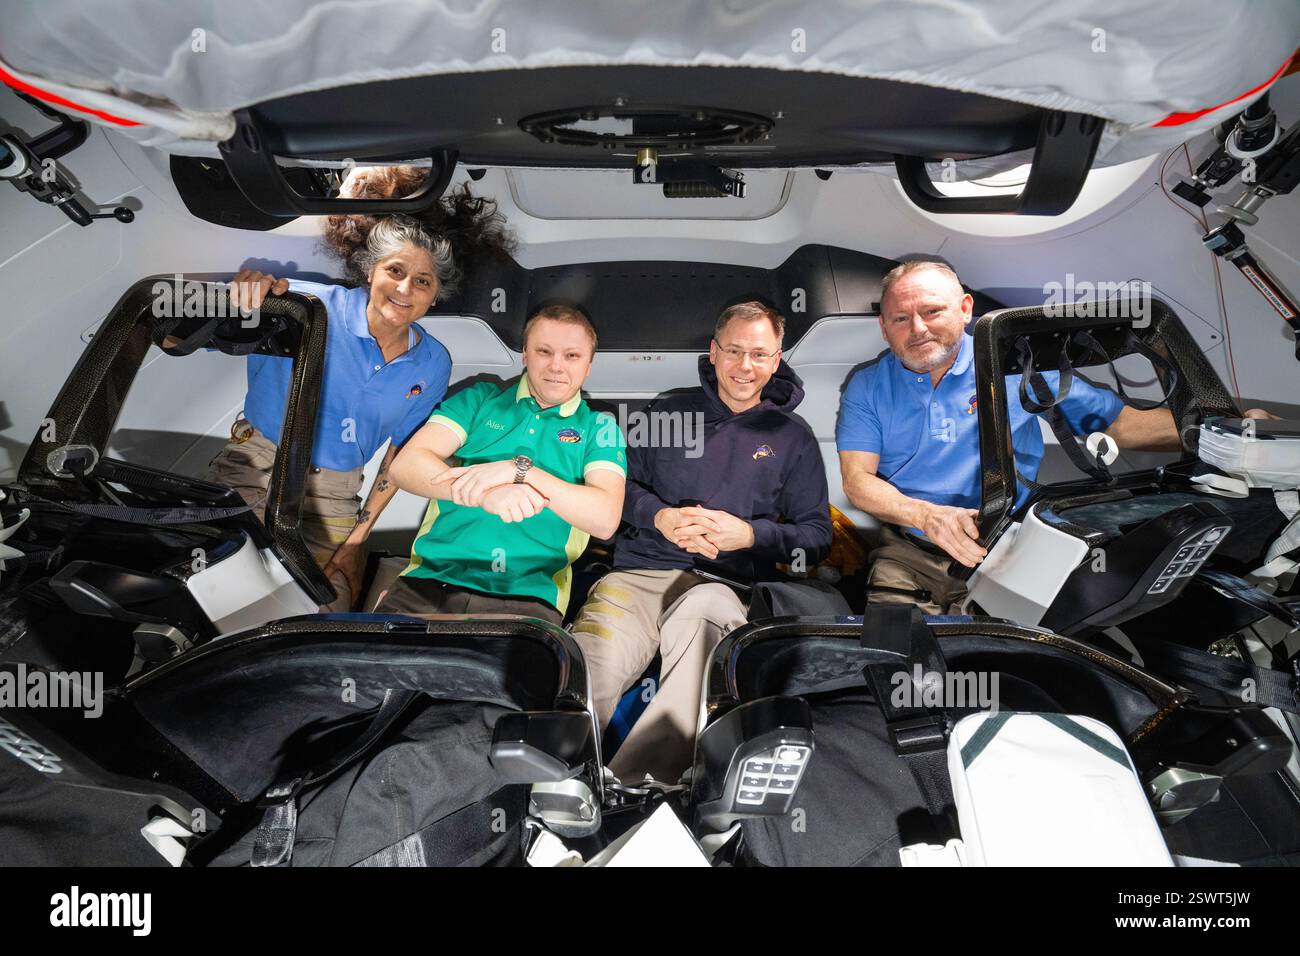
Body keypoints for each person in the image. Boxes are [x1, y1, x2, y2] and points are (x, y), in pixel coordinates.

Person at [837, 259, 1274, 614]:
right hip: (910, 551)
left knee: (1028, 658)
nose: (918, 329)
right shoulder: (866, 385)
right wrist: (929, 517)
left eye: (932, 311)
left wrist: (1229, 429)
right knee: (892, 658)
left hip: (1013, 541)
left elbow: (1120, 424)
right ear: (884, 325)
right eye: (900, 317)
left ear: (965, 308)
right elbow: (859, 481)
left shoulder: (1016, 365)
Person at [571, 301, 833, 784]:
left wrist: (750, 534)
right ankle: (559, 778)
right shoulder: (667, 409)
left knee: (705, 614)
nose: (745, 367)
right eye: (733, 351)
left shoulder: (792, 437)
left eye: (759, 354)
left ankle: (642, 787)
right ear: (713, 353)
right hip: (637, 576)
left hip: (722, 582)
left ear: (776, 360)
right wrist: (661, 517)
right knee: (589, 663)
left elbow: (816, 537)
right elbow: (615, 491)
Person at [210, 215, 454, 611]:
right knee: (228, 597)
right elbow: (171, 333)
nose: (406, 288)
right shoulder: (304, 304)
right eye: (395, 270)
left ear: (435, 294)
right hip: (258, 464)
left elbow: (401, 456)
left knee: (326, 612)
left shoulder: (433, 364)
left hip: (336, 494)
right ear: (370, 270)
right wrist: (239, 299)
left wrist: (358, 539)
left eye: (423, 281)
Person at [377, 305, 626, 624]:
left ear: (589, 365)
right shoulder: (479, 398)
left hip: (527, 597)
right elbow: (406, 466)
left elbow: (605, 519)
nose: (556, 366)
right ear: (526, 355)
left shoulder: (600, 428)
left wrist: (518, 471)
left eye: (572, 356)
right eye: (544, 351)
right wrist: (485, 495)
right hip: (427, 582)